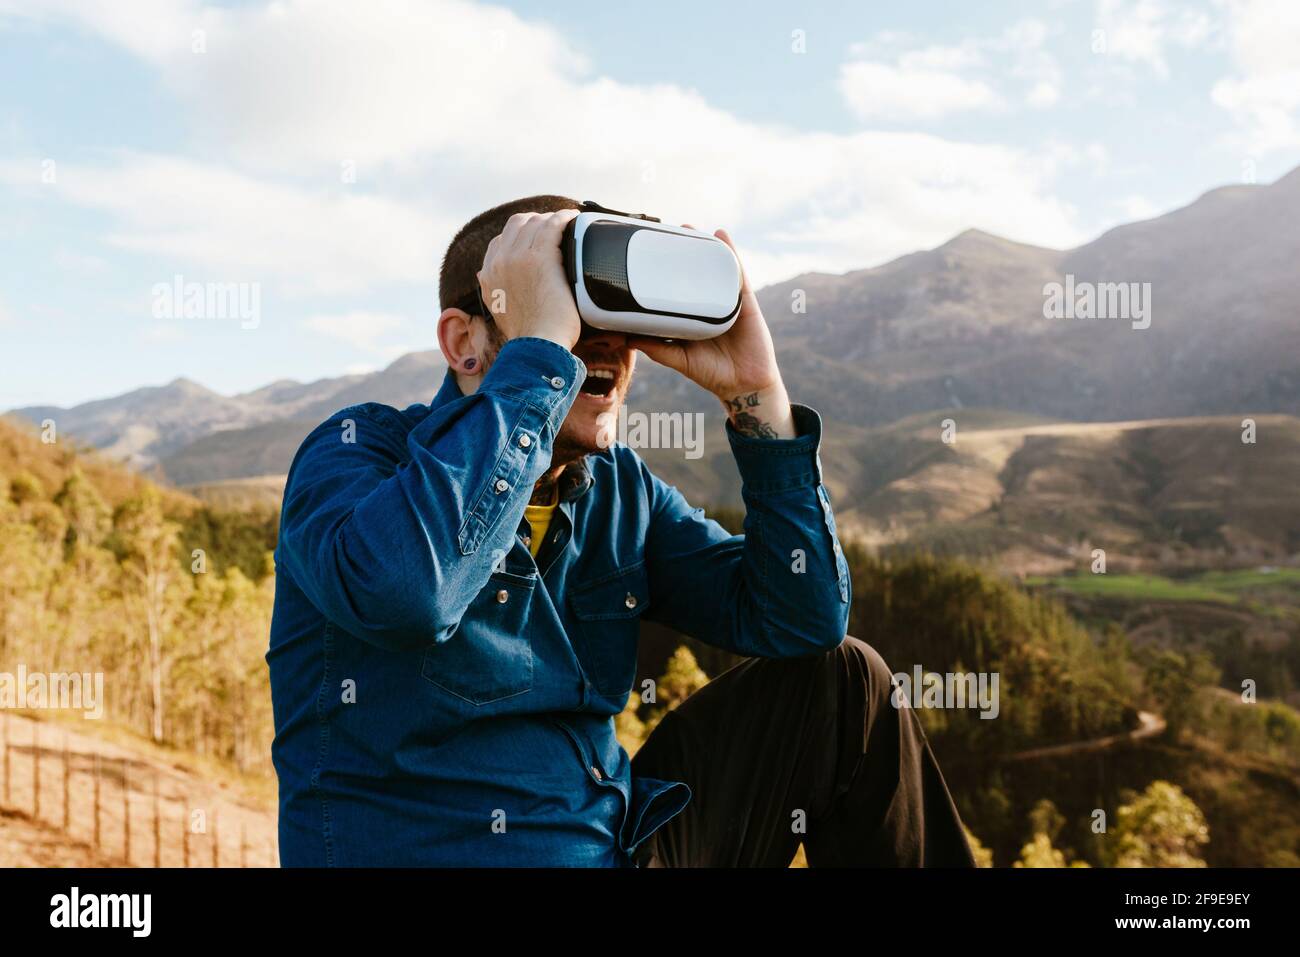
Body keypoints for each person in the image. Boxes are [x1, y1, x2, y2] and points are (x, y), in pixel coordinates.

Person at [267, 194, 976, 867]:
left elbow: (803, 615)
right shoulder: (359, 457)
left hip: (618, 848)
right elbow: (408, 593)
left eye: (612, 315)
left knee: (844, 680)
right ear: (464, 342)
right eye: (564, 315)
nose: (600, 344)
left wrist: (756, 392)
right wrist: (541, 361)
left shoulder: (620, 492)